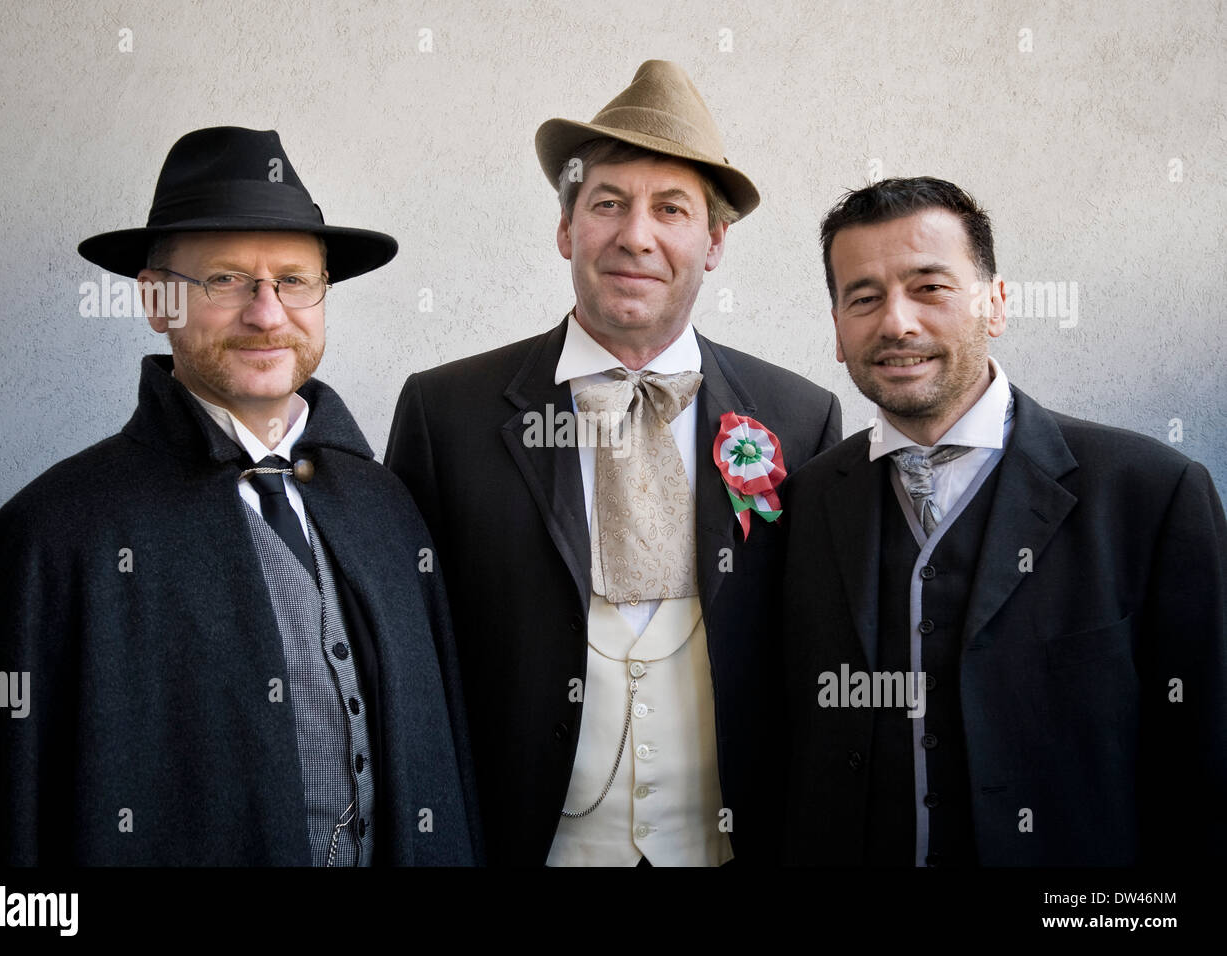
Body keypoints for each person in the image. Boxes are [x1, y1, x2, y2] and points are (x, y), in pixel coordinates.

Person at [0, 126, 480, 866]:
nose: (266, 311)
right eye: (224, 280)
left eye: (294, 280)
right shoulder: (52, 539)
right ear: (157, 302)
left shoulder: (386, 509)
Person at [387, 60, 841, 865]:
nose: (637, 235)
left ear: (715, 241)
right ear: (566, 230)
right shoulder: (442, 413)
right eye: (608, 204)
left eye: (672, 209)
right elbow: (411, 660)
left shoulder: (802, 420)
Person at [780, 176, 1226, 865]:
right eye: (863, 297)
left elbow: (1206, 762)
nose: (897, 322)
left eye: (930, 287)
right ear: (837, 330)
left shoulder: (1151, 494)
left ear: (997, 305)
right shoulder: (804, 503)